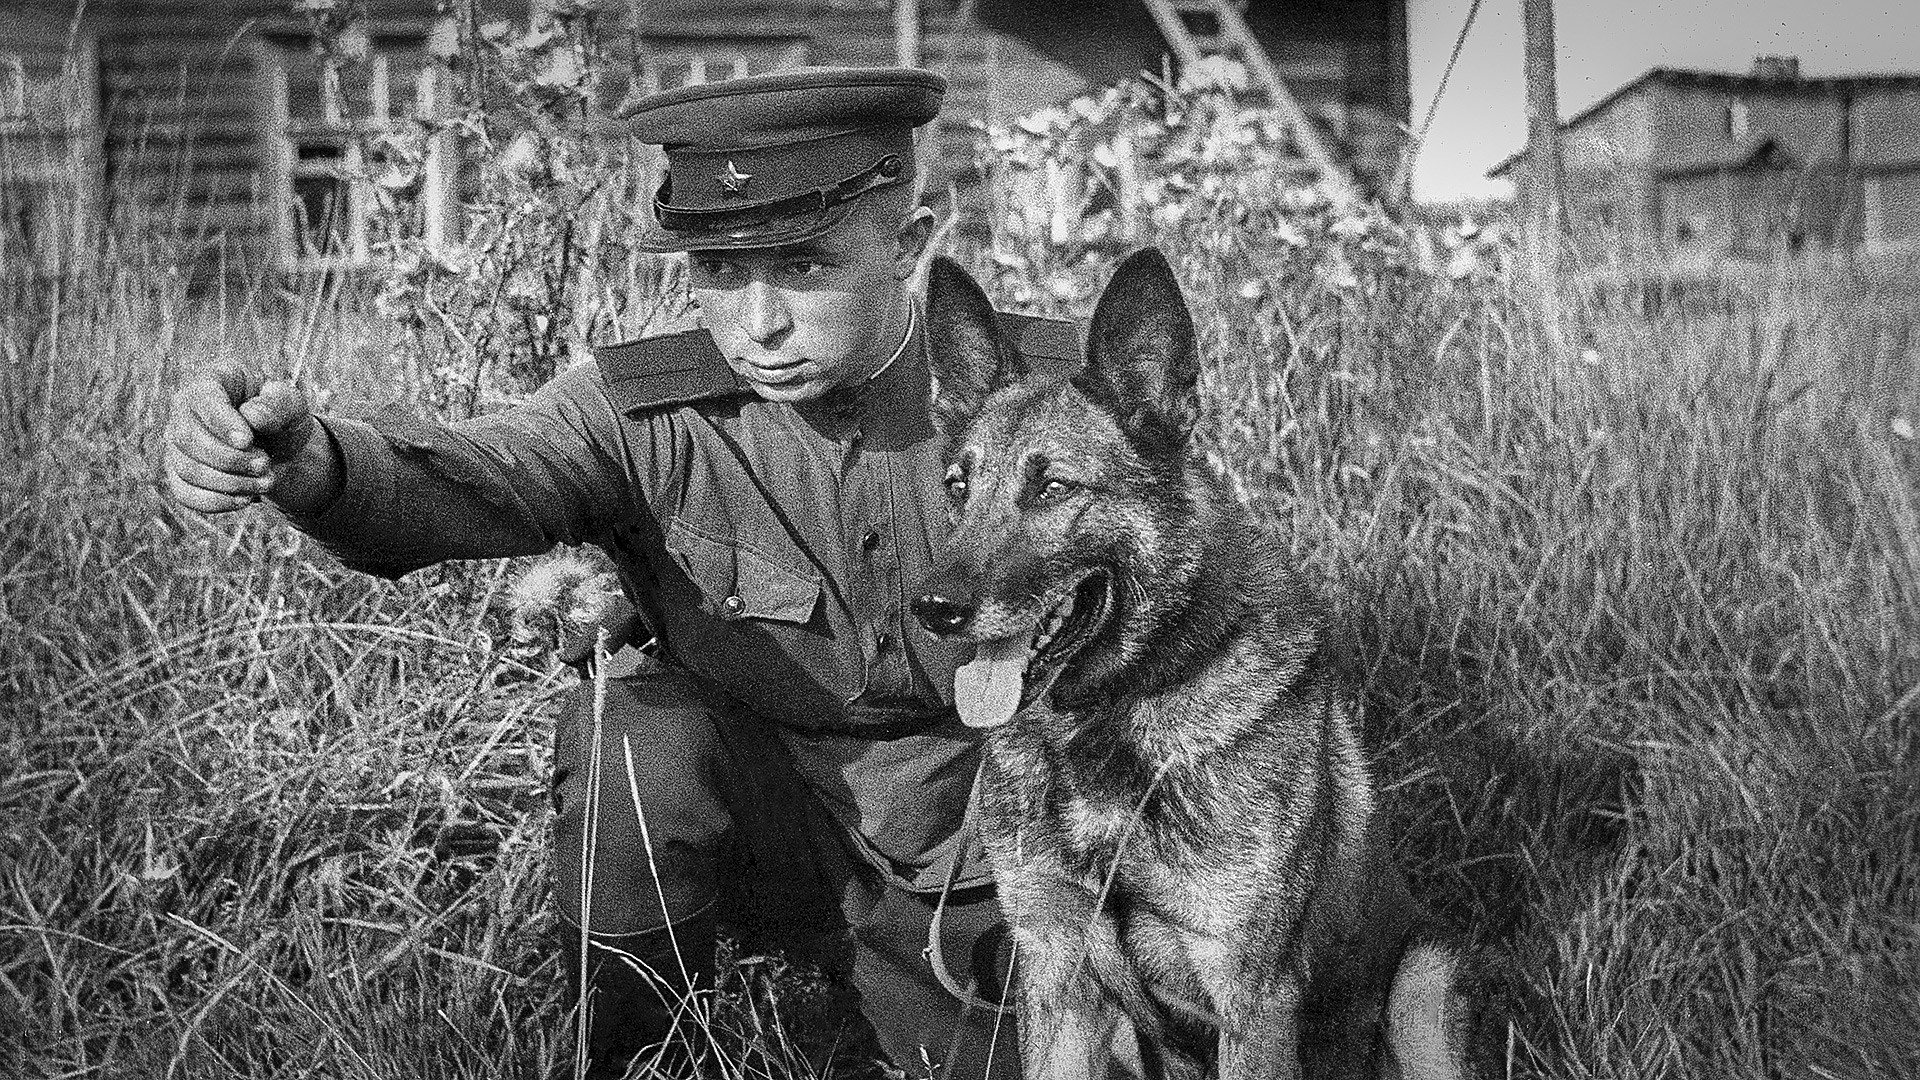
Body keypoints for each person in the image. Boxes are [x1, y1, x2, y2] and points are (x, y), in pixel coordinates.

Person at [160, 66, 1081, 1079]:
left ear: (909, 243)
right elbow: (482, 478)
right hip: (766, 820)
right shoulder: (645, 409)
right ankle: (644, 1056)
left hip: (988, 838)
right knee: (631, 735)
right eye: (719, 269)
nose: (759, 322)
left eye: (804, 265)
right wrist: (315, 465)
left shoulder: (1054, 405)